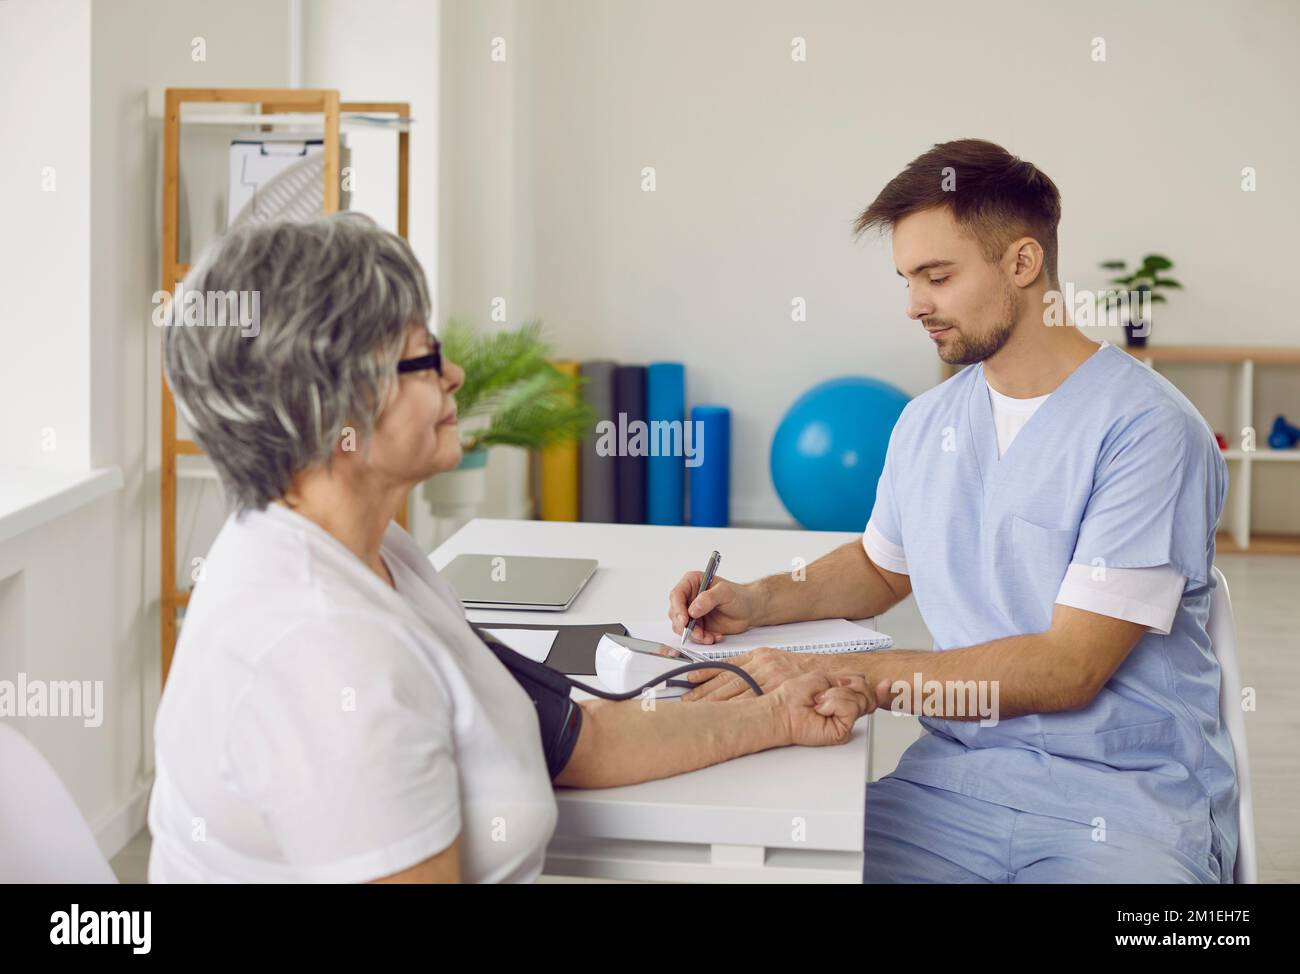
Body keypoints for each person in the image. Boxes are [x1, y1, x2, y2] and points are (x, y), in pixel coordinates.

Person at [148, 212, 873, 884]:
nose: (454, 375)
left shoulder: (372, 554)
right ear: (336, 403)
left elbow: (572, 738)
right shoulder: (325, 652)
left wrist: (775, 716)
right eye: (425, 357)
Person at [667, 139, 1236, 884]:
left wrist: (846, 676)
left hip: (1123, 807)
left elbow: (1068, 669)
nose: (914, 305)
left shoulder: (1148, 431)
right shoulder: (927, 421)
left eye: (937, 276)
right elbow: (879, 566)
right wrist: (756, 600)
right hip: (954, 787)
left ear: (1024, 265)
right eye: (907, 280)